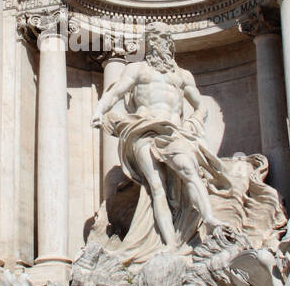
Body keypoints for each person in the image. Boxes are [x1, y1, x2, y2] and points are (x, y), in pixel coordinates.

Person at [92, 24, 234, 258]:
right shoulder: (137, 70)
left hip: (174, 132)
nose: (159, 44)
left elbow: (200, 107)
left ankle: (209, 219)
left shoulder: (182, 75)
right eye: (154, 40)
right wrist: (99, 110)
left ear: (170, 44)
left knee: (189, 170)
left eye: (164, 39)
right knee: (156, 186)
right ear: (148, 44)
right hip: (142, 130)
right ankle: (169, 244)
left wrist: (192, 123)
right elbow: (116, 92)